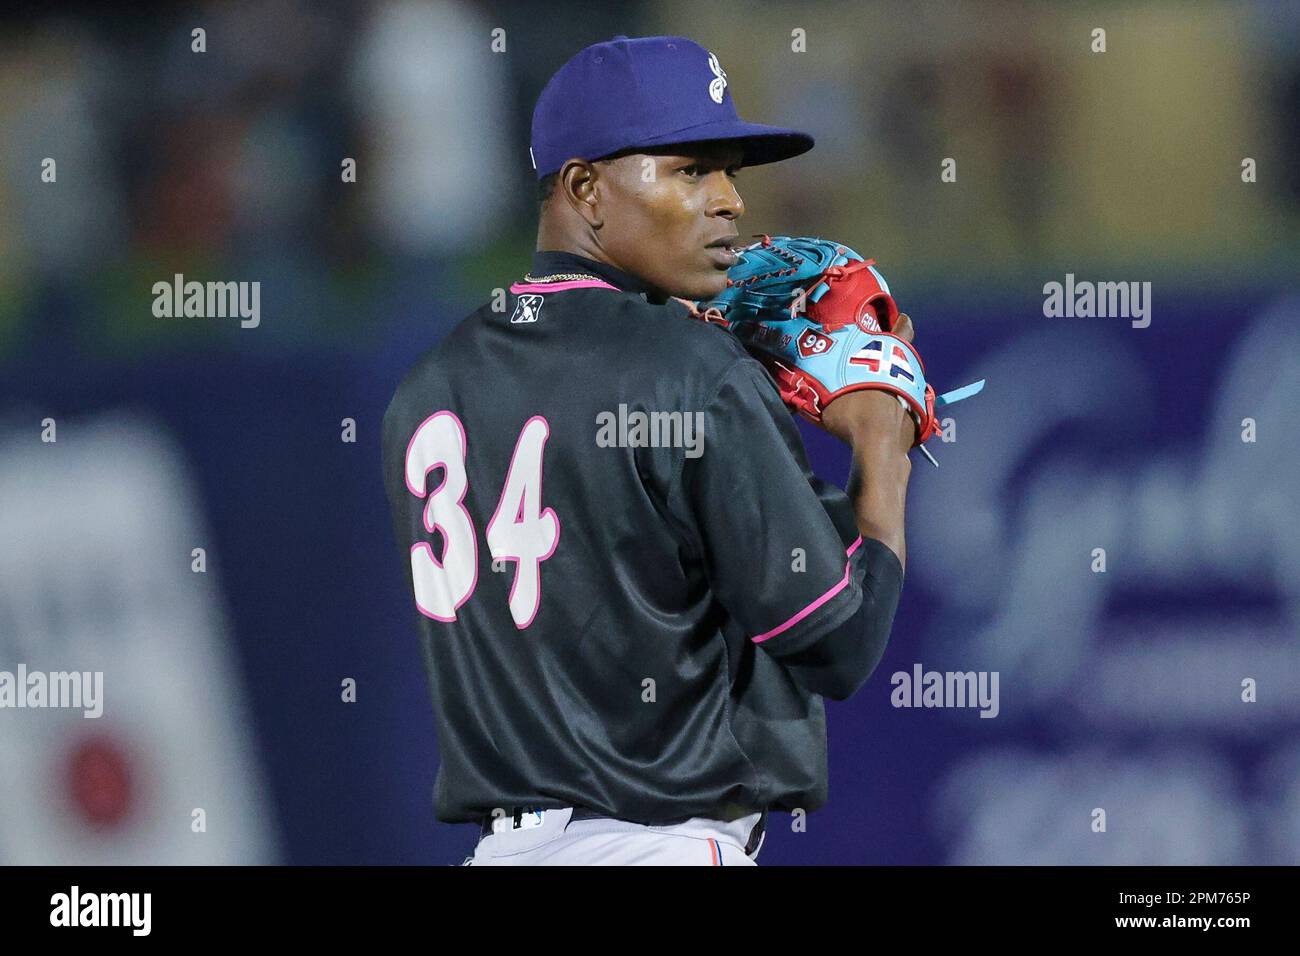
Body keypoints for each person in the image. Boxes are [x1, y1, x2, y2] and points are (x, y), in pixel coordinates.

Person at [381, 35, 916, 866]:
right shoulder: (691, 369)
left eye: (728, 170)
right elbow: (835, 640)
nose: (730, 199)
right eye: (690, 169)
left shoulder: (426, 387)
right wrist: (883, 455)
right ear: (585, 188)